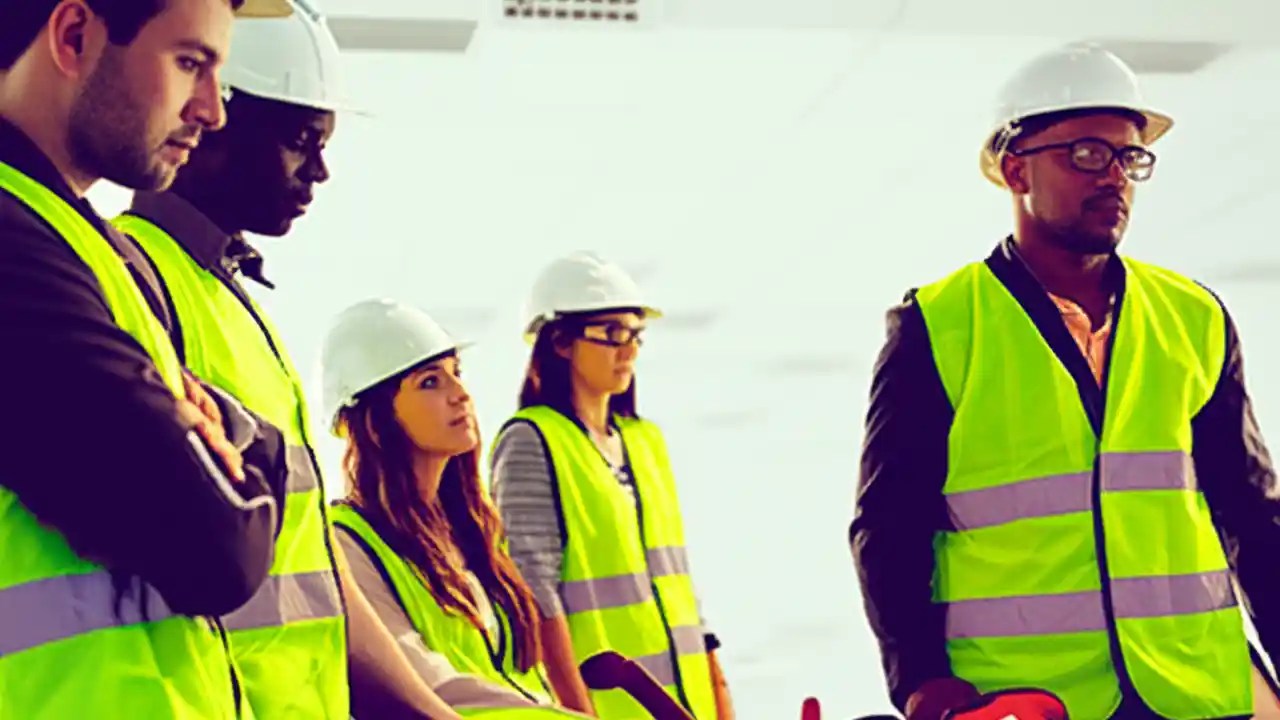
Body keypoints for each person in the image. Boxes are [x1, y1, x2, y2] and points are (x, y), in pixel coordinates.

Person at [851, 42, 1280, 720]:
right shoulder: (937, 324)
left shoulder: (1193, 316)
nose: (1113, 176)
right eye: (1085, 153)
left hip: (1194, 690)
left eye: (1129, 157)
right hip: (1027, 699)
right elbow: (891, 524)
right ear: (1016, 169)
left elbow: (1251, 513)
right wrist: (920, 679)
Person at [105, 6, 469, 718]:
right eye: (301, 140)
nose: (322, 171)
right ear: (211, 120)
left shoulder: (232, 302)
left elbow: (312, 578)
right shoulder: (132, 281)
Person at [0, 0, 295, 717]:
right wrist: (252, 437)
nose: (213, 111)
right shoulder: (11, 247)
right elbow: (213, 547)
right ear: (74, 36)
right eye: (190, 63)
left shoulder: (77, 240)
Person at [490, 251, 733, 720]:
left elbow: (683, 592)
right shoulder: (531, 441)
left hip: (685, 707)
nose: (629, 350)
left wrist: (720, 700)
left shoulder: (646, 442)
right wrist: (577, 713)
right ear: (560, 342)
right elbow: (533, 592)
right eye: (612, 334)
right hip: (605, 707)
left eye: (636, 335)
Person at [318, 298, 586, 714]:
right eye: (430, 382)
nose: (460, 394)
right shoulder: (348, 544)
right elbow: (423, 684)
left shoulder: (469, 531)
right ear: (373, 418)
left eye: (456, 374)